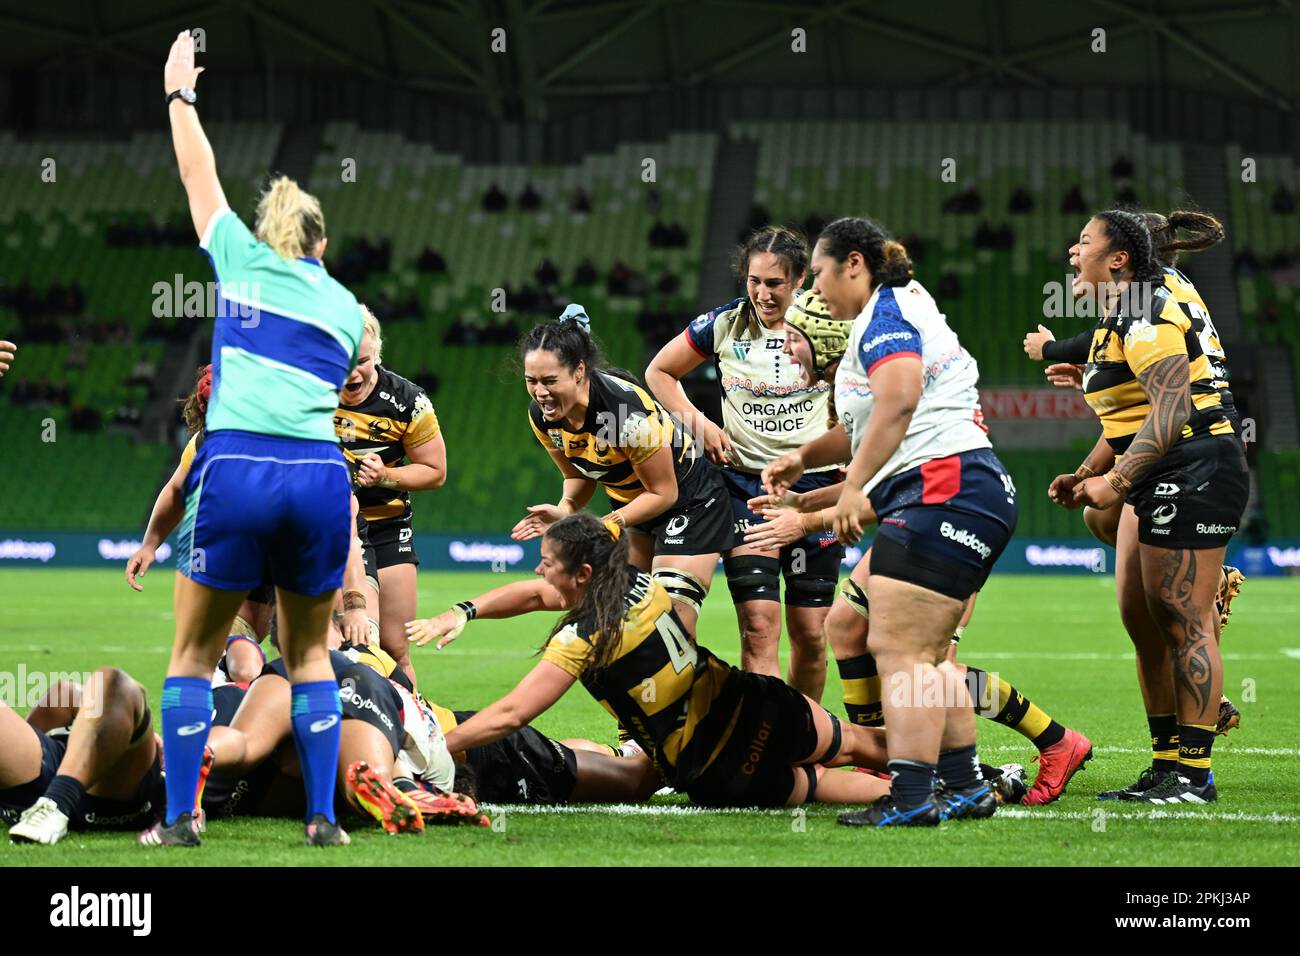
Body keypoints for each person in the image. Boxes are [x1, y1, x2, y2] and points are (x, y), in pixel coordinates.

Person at [145, 30, 364, 847]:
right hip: (318, 473)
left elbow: (196, 172)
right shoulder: (346, 308)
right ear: (321, 246)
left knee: (193, 653)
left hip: (236, 461)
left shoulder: (236, 256)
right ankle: (320, 820)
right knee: (309, 656)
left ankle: (179, 822)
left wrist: (179, 92)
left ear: (267, 235)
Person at [746, 290, 1091, 806]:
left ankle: (1053, 741)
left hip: (951, 508)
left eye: (794, 339)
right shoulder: (856, 379)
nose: (786, 352)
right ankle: (888, 760)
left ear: (823, 336)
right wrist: (806, 495)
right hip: (936, 505)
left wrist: (806, 520)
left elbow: (896, 486)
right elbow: (872, 475)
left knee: (929, 666)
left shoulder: (879, 374)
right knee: (847, 626)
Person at [764, 218, 1021, 827]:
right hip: (963, 489)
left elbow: (900, 397)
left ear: (855, 263)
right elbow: (873, 420)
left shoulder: (885, 316)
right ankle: (963, 787)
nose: (816, 289)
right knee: (927, 657)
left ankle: (910, 799)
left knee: (898, 650)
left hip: (946, 491)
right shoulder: (897, 308)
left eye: (820, 274)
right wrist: (804, 462)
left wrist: (852, 488)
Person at [442, 513, 895, 808]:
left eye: (546, 562)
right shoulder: (640, 583)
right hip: (755, 703)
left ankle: (911, 795)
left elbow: (512, 714)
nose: (540, 571)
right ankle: (952, 776)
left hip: (716, 766)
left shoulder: (584, 638)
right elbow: (542, 591)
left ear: (581, 574)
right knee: (855, 740)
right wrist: (468, 609)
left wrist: (443, 743)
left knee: (816, 787)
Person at [1025, 208, 1246, 736]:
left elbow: (1165, 408)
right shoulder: (1138, 302)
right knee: (1136, 596)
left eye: (1083, 243)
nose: (1072, 254)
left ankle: (1188, 766)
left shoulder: (1148, 300)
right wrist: (1087, 467)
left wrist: (1052, 348)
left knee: (1165, 616)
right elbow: (1129, 399)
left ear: (1125, 255)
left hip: (1188, 458)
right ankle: (1172, 754)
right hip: (1167, 457)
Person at [646, 232, 841, 700]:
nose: (762, 294)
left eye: (775, 283)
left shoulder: (831, 324)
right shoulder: (725, 323)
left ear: (799, 280)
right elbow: (659, 372)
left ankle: (805, 744)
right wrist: (698, 422)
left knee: (812, 637)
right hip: (744, 488)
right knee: (758, 627)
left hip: (817, 489)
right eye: (754, 281)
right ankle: (770, 754)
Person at [513, 305, 735, 634]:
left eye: (549, 381)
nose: (540, 392)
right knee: (616, 616)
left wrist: (604, 526)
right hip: (632, 508)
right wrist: (567, 510)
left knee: (669, 623)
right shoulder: (543, 416)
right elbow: (577, 475)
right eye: (531, 381)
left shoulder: (624, 416)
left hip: (690, 500)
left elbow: (664, 492)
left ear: (578, 372)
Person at [336, 308, 447, 687]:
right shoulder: (308, 395)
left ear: (377, 353)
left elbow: (435, 471)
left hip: (387, 528)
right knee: (347, 639)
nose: (353, 373)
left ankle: (415, 736)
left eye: (362, 361)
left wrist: (386, 474)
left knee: (395, 646)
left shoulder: (408, 401)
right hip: (332, 529)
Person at [4, 669, 166, 845]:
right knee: (68, 693)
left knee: (117, 684)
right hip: (41, 786)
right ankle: (50, 802)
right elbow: (64, 694)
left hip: (113, 792)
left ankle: (57, 802)